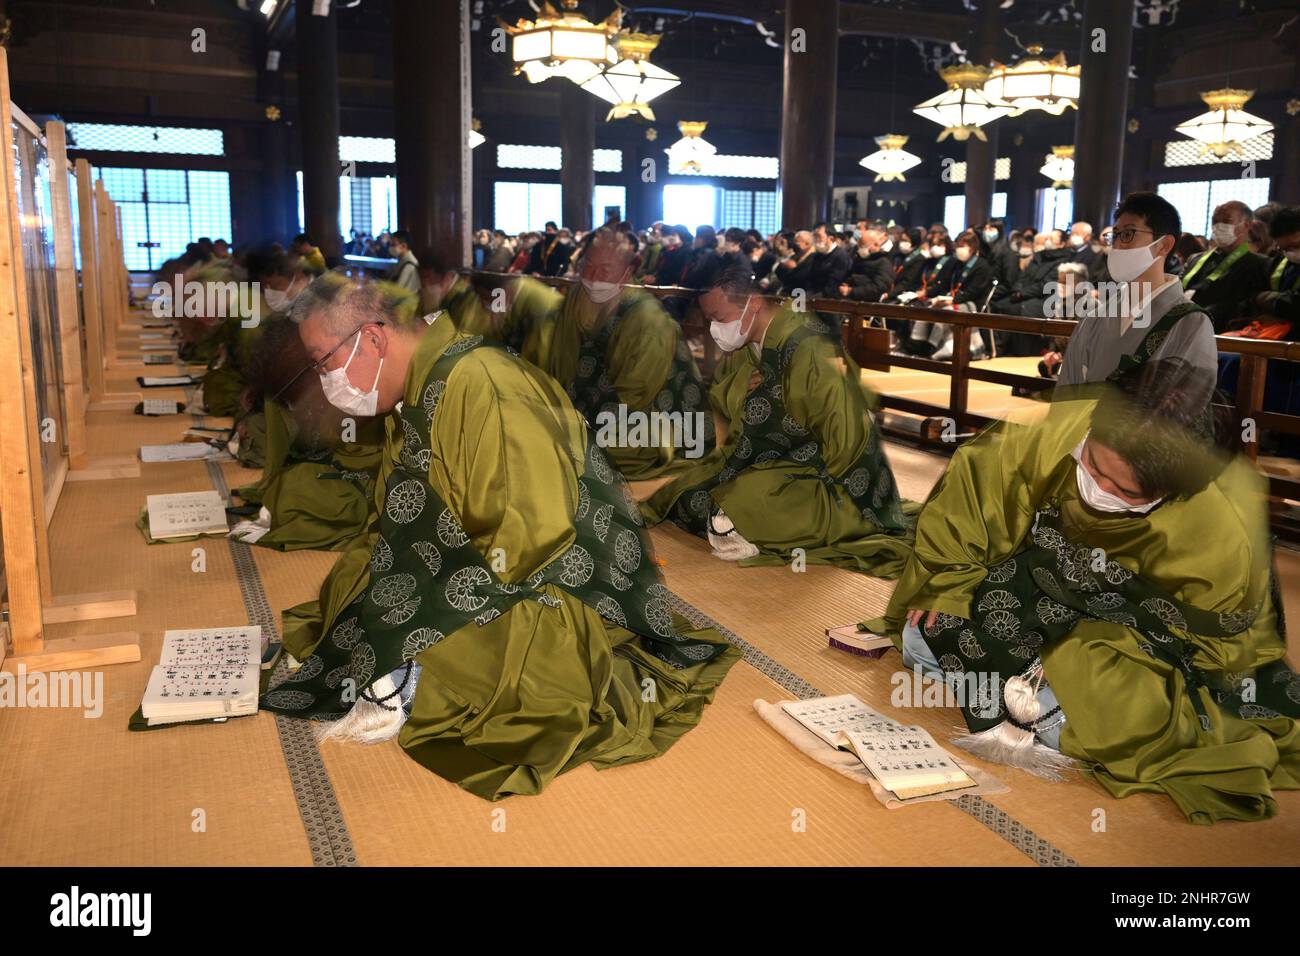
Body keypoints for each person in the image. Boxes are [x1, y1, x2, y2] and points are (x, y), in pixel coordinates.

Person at [261, 274, 739, 800]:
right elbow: (399, 515)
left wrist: (429, 589)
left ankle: (415, 672)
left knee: (491, 655)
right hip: (474, 556)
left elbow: (533, 537)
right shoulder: (417, 389)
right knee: (358, 576)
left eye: (321, 360)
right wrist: (409, 570)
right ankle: (407, 662)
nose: (322, 377)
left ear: (371, 340)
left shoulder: (485, 383)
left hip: (553, 582)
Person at [863, 358, 1299, 824]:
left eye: (1124, 491)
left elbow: (1216, 655)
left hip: (1131, 641)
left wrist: (1081, 655)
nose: (1098, 488)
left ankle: (1040, 703)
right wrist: (947, 585)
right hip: (1036, 583)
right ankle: (1035, 703)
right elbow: (972, 501)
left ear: (1176, 492)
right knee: (924, 631)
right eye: (1093, 464)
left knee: (1114, 703)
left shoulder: (1221, 529)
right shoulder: (1058, 430)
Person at [642, 264, 914, 576]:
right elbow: (724, 396)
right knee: (686, 496)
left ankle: (835, 516)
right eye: (710, 319)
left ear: (753, 303)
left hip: (823, 466)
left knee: (730, 512)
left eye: (718, 317)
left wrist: (846, 493)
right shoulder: (749, 342)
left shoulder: (806, 346)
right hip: (771, 458)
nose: (714, 328)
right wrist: (751, 382)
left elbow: (847, 427)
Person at [534, 226, 714, 481]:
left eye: (606, 269)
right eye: (588, 265)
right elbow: (557, 359)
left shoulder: (646, 317)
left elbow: (635, 393)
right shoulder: (577, 297)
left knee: (577, 450)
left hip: (648, 419)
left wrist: (578, 422)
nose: (594, 276)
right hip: (585, 407)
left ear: (627, 272)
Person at [1058, 192, 1216, 388]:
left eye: (1127, 234)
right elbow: (1067, 384)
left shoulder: (1191, 321)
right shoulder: (1096, 316)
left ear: (1164, 245)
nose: (1116, 245)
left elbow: (1185, 401)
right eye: (1114, 236)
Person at [1181, 200, 1271, 332]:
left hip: (1220, 334)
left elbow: (1245, 306)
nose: (1218, 225)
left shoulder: (1260, 264)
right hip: (1182, 327)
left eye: (1226, 220)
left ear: (1246, 225)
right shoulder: (1195, 259)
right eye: (1215, 221)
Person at [840, 219, 894, 303]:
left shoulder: (883, 262)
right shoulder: (859, 258)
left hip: (868, 304)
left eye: (863, 246)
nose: (860, 249)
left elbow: (879, 288)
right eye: (859, 246)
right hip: (850, 300)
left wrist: (852, 290)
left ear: (876, 245)